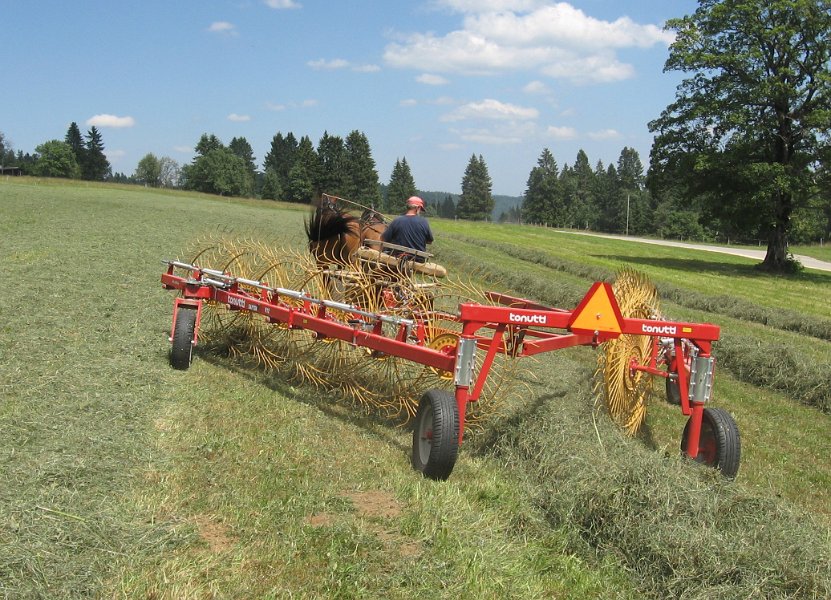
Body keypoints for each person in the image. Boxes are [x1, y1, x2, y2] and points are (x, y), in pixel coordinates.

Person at [381, 196, 434, 261]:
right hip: (418, 259)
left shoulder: (397, 220)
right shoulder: (424, 222)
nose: (420, 212)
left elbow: (383, 238)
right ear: (418, 208)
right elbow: (430, 241)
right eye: (420, 210)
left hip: (398, 257)